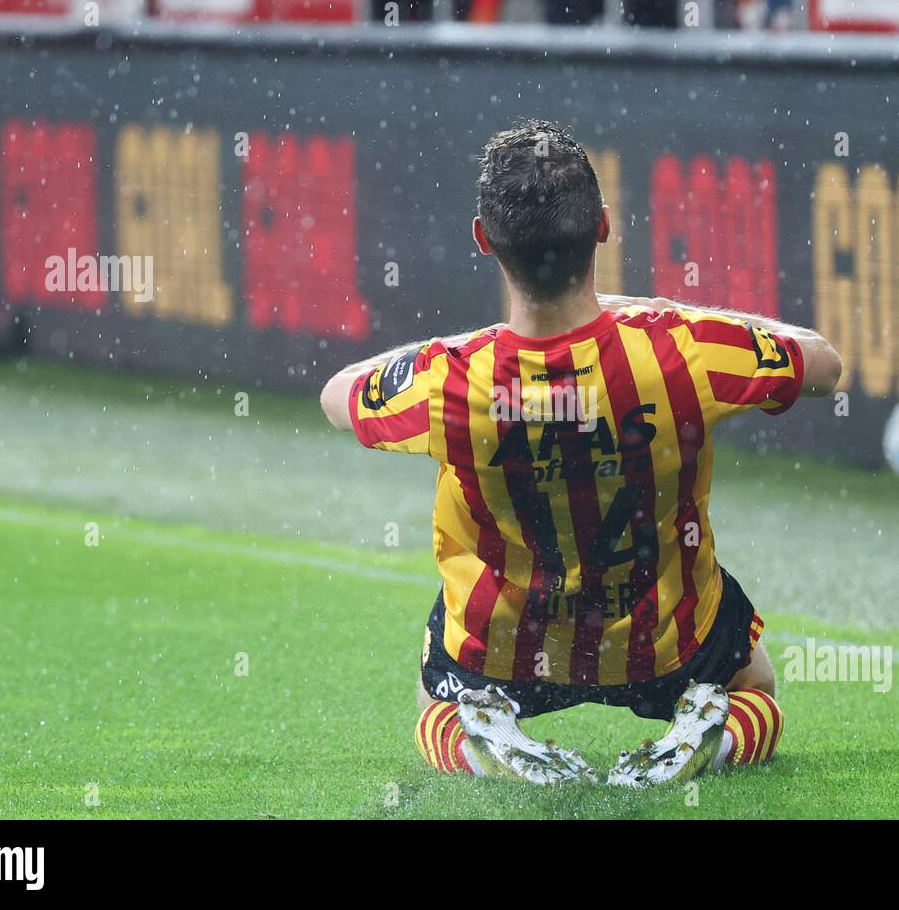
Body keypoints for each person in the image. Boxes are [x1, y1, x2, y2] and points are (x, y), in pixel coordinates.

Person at [320, 120, 840, 785]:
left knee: (432, 702)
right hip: (664, 645)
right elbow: (826, 364)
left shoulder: (450, 377)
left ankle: (482, 742)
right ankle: (708, 739)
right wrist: (660, 307)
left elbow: (338, 395)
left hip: (505, 649)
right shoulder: (678, 348)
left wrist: (461, 341)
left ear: (483, 239)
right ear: (602, 225)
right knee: (756, 689)